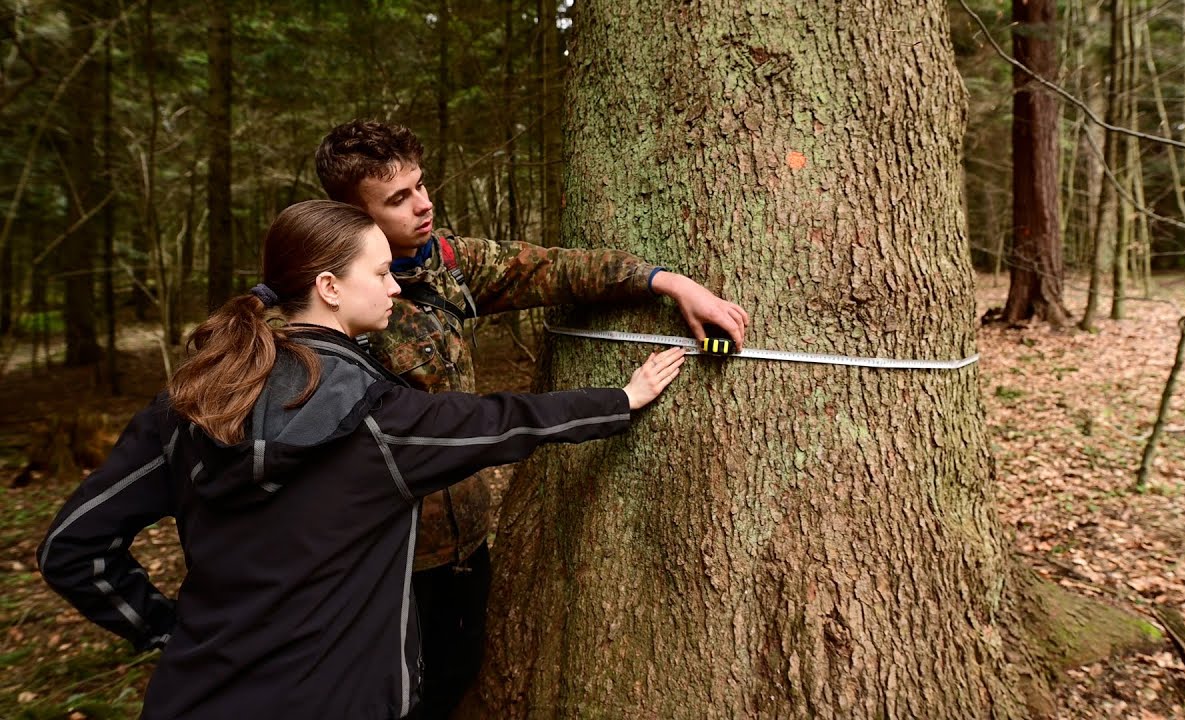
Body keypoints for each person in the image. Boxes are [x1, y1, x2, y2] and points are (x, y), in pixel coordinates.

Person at [36, 200, 686, 720]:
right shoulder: (382, 423)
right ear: (328, 287)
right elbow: (505, 422)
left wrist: (166, 632)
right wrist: (623, 399)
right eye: (379, 274)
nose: (394, 290)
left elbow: (72, 548)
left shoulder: (190, 404)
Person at [314, 119, 750, 717]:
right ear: (353, 217)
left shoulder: (445, 262)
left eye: (420, 185)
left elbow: (549, 269)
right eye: (398, 199)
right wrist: (613, 403)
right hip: (380, 556)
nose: (423, 204)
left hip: (462, 543)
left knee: (457, 671)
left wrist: (666, 282)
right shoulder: (322, 311)